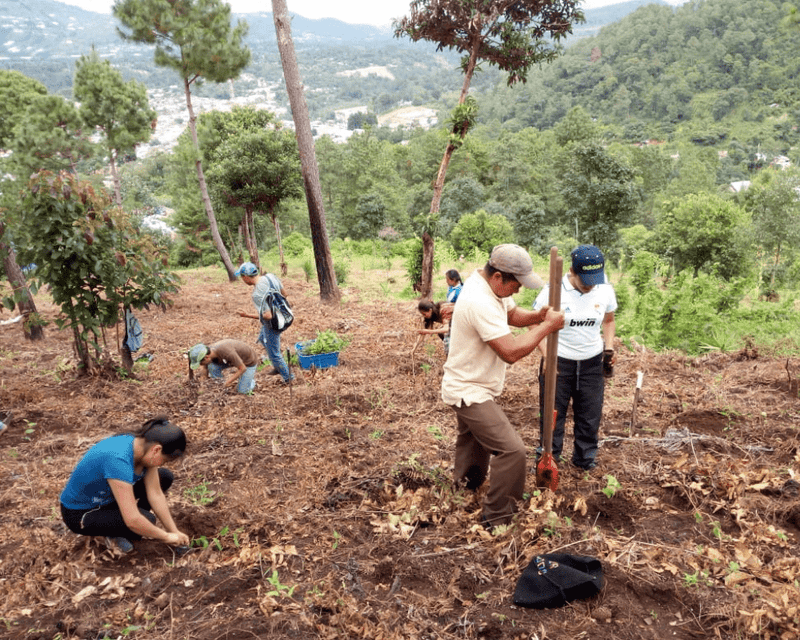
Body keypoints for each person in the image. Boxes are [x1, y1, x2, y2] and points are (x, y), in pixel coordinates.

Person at [441, 244, 564, 529]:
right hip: (469, 388)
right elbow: (509, 351)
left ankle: (464, 492)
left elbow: (511, 315)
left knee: (474, 444)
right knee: (512, 451)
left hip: (472, 382)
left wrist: (538, 316)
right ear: (498, 277)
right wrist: (546, 328)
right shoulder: (478, 300)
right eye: (516, 284)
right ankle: (497, 518)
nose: (519, 290)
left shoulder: (487, 286)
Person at [533, 244, 617, 471]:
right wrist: (547, 357)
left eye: (594, 280)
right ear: (572, 271)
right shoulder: (553, 292)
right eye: (585, 280)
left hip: (592, 362)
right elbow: (535, 323)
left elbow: (608, 320)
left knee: (590, 415)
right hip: (559, 360)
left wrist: (608, 348)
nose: (591, 285)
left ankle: (584, 459)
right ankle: (549, 459)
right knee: (553, 415)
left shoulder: (605, 289)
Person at [60, 416, 190, 554]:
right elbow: (133, 520)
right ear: (156, 450)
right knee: (145, 520)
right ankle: (119, 532)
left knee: (164, 476)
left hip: (106, 497)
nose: (161, 464)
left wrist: (173, 531)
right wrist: (165, 537)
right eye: (163, 460)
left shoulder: (142, 446)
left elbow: (155, 494)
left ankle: (127, 528)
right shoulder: (118, 460)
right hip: (81, 513)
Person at [235, 261, 294, 385]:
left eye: (241, 277)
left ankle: (289, 378)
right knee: (263, 338)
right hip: (286, 315)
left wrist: (246, 315)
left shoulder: (257, 294)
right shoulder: (271, 277)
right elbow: (285, 294)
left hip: (275, 323)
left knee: (274, 354)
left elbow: (267, 316)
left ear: (245, 277)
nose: (242, 280)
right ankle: (279, 365)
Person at [188, 339, 259, 394]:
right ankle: (219, 383)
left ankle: (251, 381)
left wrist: (228, 382)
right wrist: (202, 385)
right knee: (212, 367)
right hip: (229, 360)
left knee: (242, 391)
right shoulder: (208, 352)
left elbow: (243, 368)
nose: (201, 365)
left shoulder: (227, 352)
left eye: (201, 363)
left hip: (248, 362)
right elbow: (204, 368)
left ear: (207, 357)